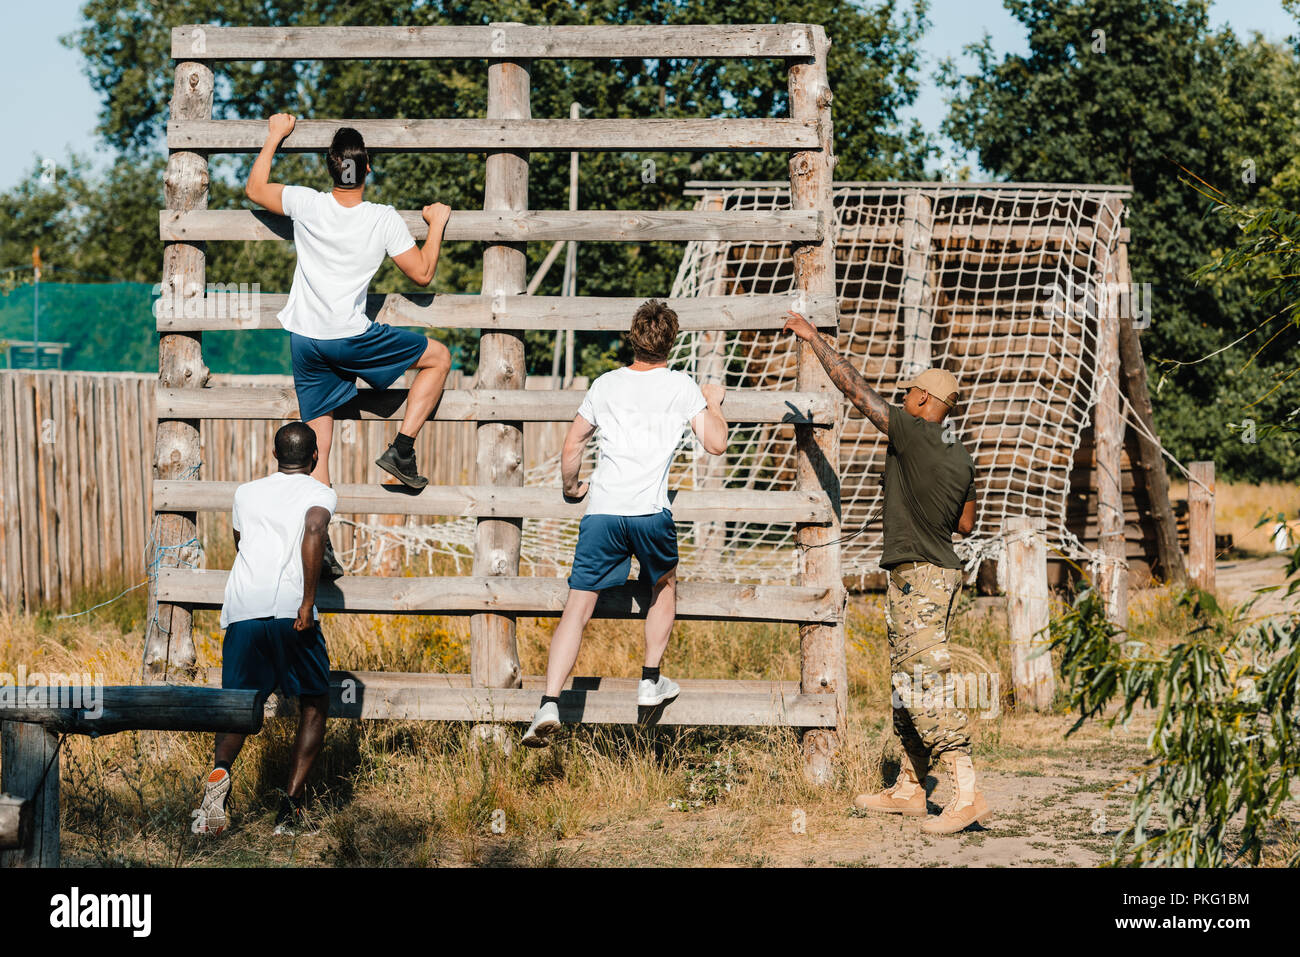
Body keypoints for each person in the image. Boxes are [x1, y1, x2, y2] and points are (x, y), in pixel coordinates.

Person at [783, 309, 989, 835]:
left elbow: (858, 395)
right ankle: (911, 788)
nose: (901, 402)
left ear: (924, 402)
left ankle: (967, 792)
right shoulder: (959, 455)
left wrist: (814, 341)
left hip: (920, 577)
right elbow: (965, 524)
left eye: (908, 395)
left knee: (923, 683)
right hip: (939, 573)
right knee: (905, 681)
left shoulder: (914, 431)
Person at [245, 113, 454, 575]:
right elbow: (422, 274)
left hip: (305, 342)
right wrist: (436, 223)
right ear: (368, 170)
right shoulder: (382, 219)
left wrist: (275, 135)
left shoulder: (307, 204)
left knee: (318, 452)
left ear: (330, 168)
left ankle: (322, 545)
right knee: (438, 358)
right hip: (351, 338)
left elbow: (256, 189)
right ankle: (401, 450)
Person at [522, 300, 729, 747]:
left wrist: (571, 486)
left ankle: (548, 703)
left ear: (632, 339)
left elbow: (573, 443)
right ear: (671, 343)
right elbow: (716, 443)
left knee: (577, 606)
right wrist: (712, 401)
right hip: (650, 512)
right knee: (664, 585)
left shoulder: (606, 384)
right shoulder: (682, 386)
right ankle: (650, 679)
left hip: (602, 511)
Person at [196, 422, 337, 837]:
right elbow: (314, 531)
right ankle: (289, 813)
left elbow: (242, 542)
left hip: (242, 608)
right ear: (314, 458)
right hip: (290, 611)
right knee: (314, 702)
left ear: (275, 455)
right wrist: (308, 603)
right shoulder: (319, 492)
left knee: (239, 707)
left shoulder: (246, 492)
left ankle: (216, 790)